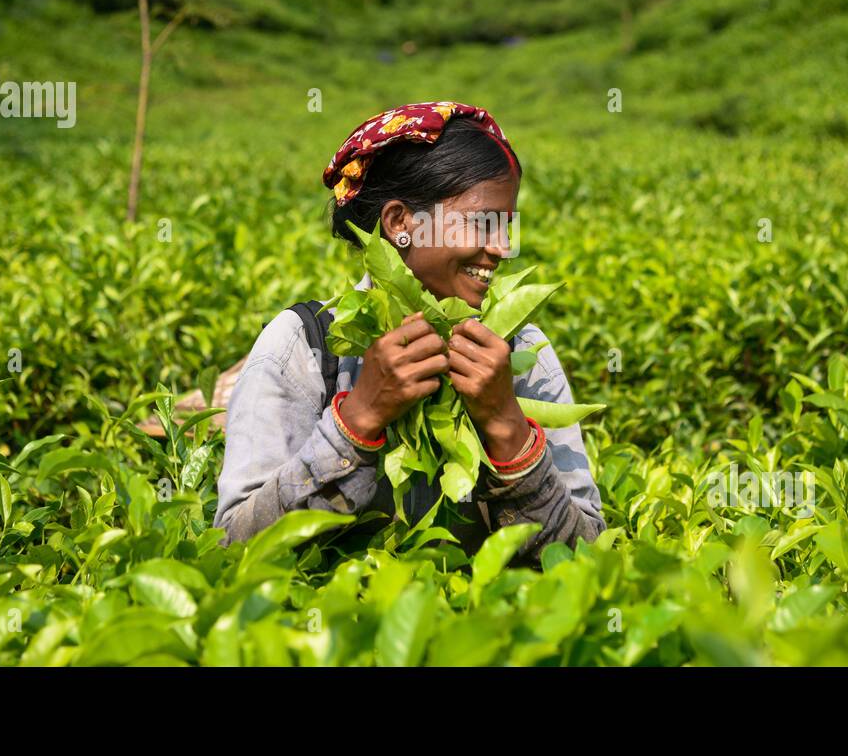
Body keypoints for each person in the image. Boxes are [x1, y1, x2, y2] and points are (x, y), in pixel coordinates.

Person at [213, 101, 606, 566]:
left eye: (507, 227)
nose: (502, 249)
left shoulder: (522, 351)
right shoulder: (302, 347)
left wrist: (506, 427)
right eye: (484, 223)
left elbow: (589, 560)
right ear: (400, 223)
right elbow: (231, 551)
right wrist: (357, 422)